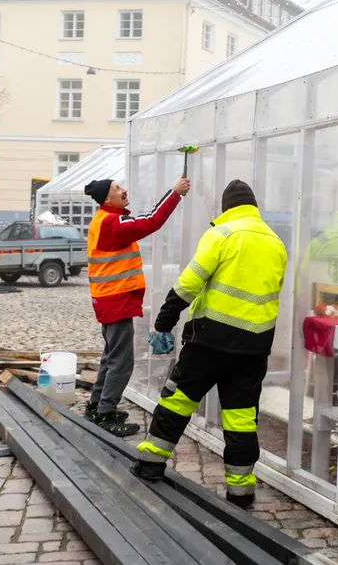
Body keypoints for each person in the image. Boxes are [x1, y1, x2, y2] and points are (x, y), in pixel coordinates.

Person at [132, 179, 287, 510]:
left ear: (227, 208)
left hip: (210, 342)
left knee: (178, 400)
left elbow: (190, 281)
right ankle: (241, 491)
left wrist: (163, 322)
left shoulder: (222, 234)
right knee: (241, 419)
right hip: (254, 348)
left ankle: (150, 464)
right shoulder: (276, 243)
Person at [83, 176, 190, 437]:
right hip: (115, 298)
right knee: (122, 362)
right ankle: (106, 414)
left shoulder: (103, 219)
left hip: (108, 298)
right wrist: (174, 192)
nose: (123, 189)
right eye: (117, 188)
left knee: (110, 356)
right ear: (107, 199)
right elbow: (151, 221)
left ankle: (96, 407)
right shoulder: (111, 223)